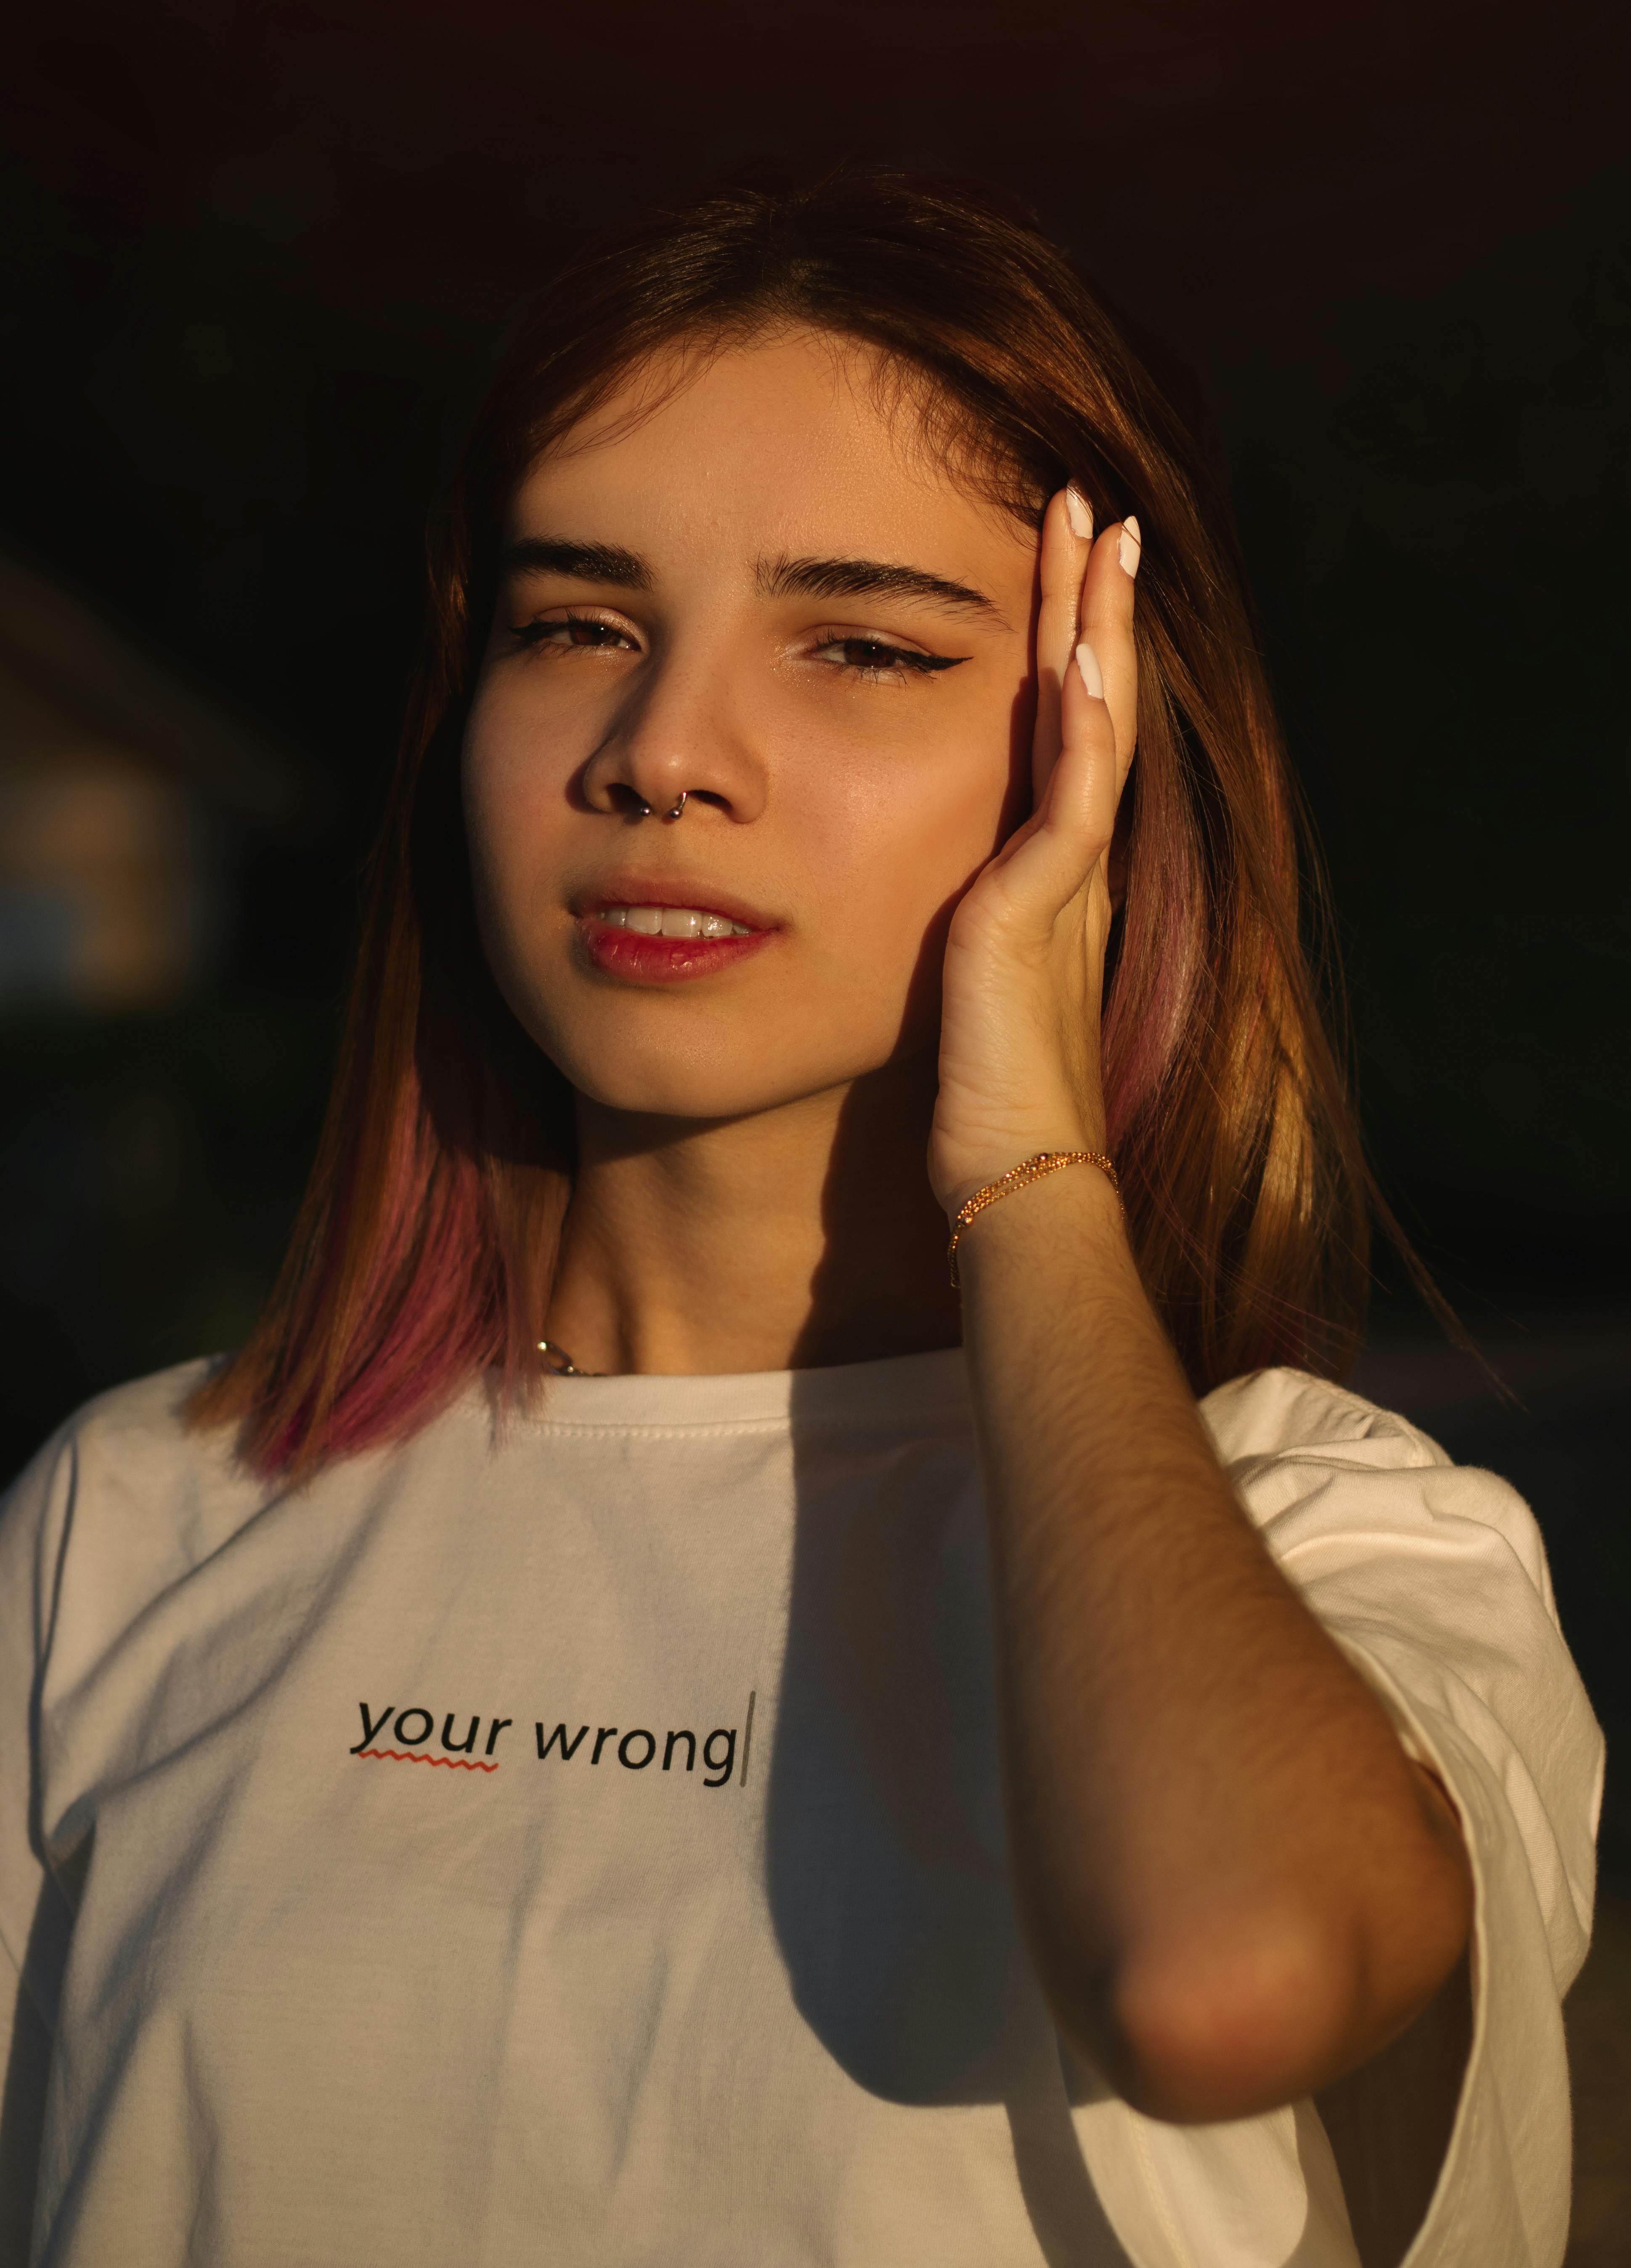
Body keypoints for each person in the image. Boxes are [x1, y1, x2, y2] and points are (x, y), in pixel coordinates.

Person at [0, 169, 1602, 2268]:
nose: (661, 752)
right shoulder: (135, 1518)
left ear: (1096, 762)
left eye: (858, 644)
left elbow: (1227, 1974)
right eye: (576, 623)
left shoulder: (1333, 1538)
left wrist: (1028, 1170)